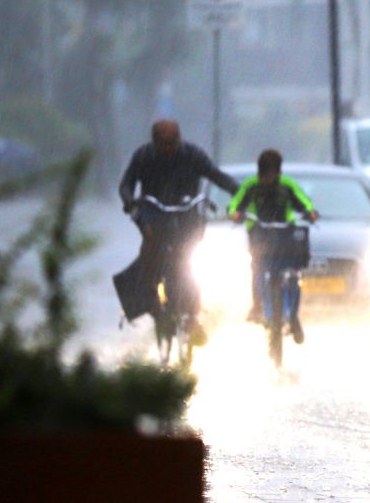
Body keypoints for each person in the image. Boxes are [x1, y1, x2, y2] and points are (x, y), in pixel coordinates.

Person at [115, 119, 239, 343]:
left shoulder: (192, 155)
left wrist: (238, 193)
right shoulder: (143, 156)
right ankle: (153, 307)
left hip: (186, 218)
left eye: (172, 143)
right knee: (149, 263)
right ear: (154, 143)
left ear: (179, 139)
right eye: (164, 145)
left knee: (188, 263)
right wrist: (130, 202)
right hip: (154, 218)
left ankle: (192, 315)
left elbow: (217, 176)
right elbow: (126, 184)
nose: (169, 149)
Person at [227, 149, 318, 344]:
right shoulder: (251, 185)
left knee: (293, 271)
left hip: (284, 231)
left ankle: (292, 315)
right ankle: (258, 306)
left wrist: (310, 212)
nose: (266, 180)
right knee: (258, 268)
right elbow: (236, 204)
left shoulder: (287, 185)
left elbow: (303, 202)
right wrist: (234, 213)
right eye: (263, 176)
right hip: (259, 232)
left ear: (277, 173)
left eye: (269, 175)